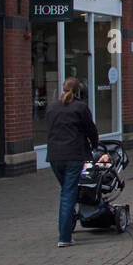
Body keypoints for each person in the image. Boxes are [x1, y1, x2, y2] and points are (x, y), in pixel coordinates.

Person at [46, 77, 99, 248]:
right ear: (78, 90)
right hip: (73, 155)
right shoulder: (80, 107)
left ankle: (68, 224)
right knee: (68, 195)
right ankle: (65, 236)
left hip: (54, 156)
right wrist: (95, 145)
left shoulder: (52, 107)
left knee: (67, 192)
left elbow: (50, 127)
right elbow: (90, 129)